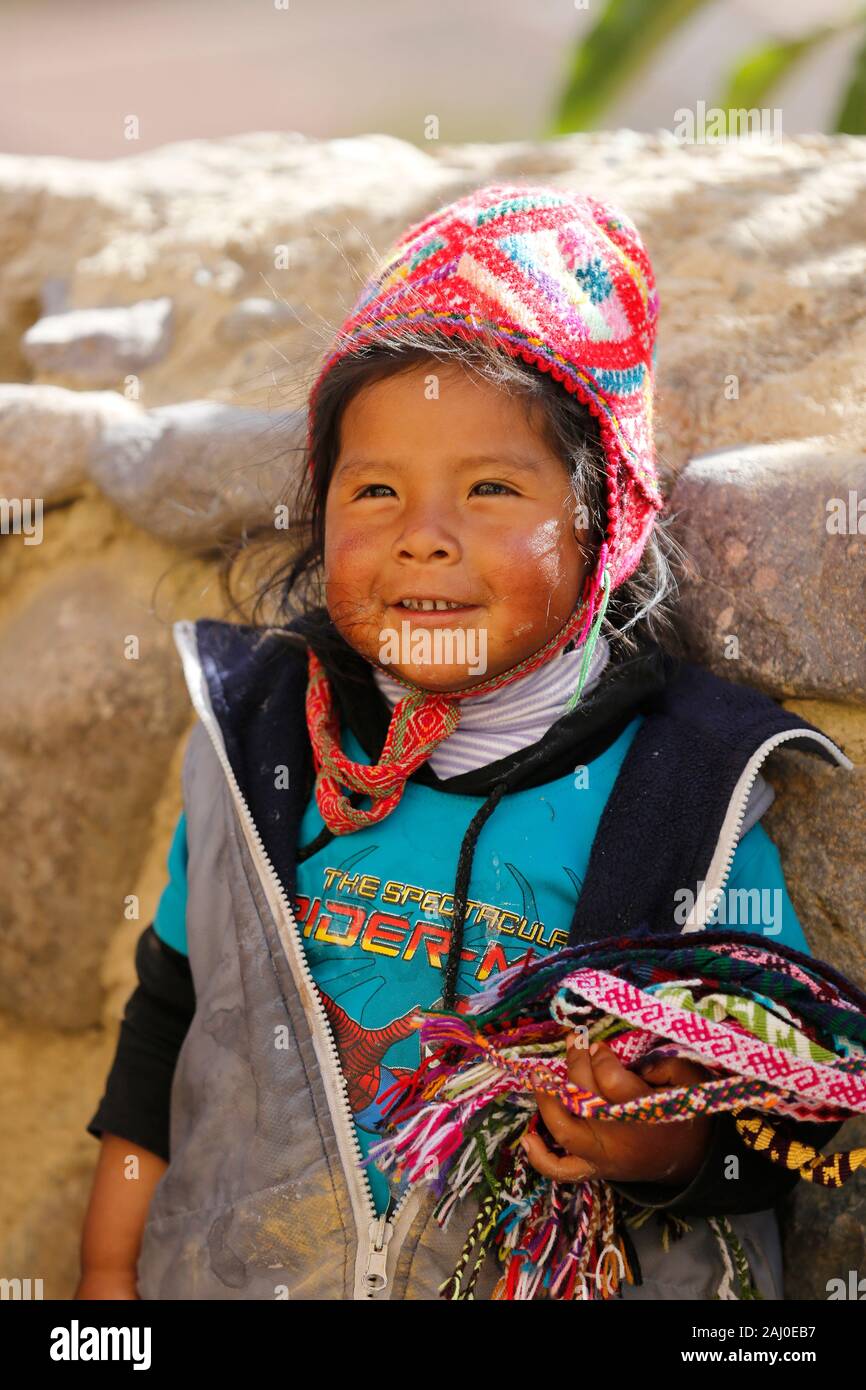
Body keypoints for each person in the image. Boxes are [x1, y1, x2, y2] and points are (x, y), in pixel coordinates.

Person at [75, 183, 850, 1301]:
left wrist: (662, 1151)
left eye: (490, 488)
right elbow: (169, 1028)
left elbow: (782, 1123)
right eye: (374, 489)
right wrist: (108, 1282)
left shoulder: (689, 803)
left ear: (605, 520)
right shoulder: (257, 752)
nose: (422, 539)